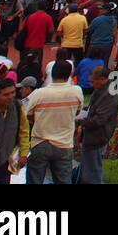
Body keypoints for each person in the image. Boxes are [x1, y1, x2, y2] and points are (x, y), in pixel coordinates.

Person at [24, 56, 84, 184]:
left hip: (40, 142)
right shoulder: (76, 91)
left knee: (34, 180)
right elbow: (77, 111)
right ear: (69, 75)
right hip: (64, 144)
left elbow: (28, 115)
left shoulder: (39, 93)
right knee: (63, 180)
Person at [78, 65, 118, 184]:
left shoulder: (109, 94)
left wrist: (81, 121)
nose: (91, 84)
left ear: (102, 79)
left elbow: (100, 119)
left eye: (93, 81)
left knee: (93, 174)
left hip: (98, 137)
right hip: (92, 137)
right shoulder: (100, 90)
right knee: (89, 171)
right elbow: (93, 109)